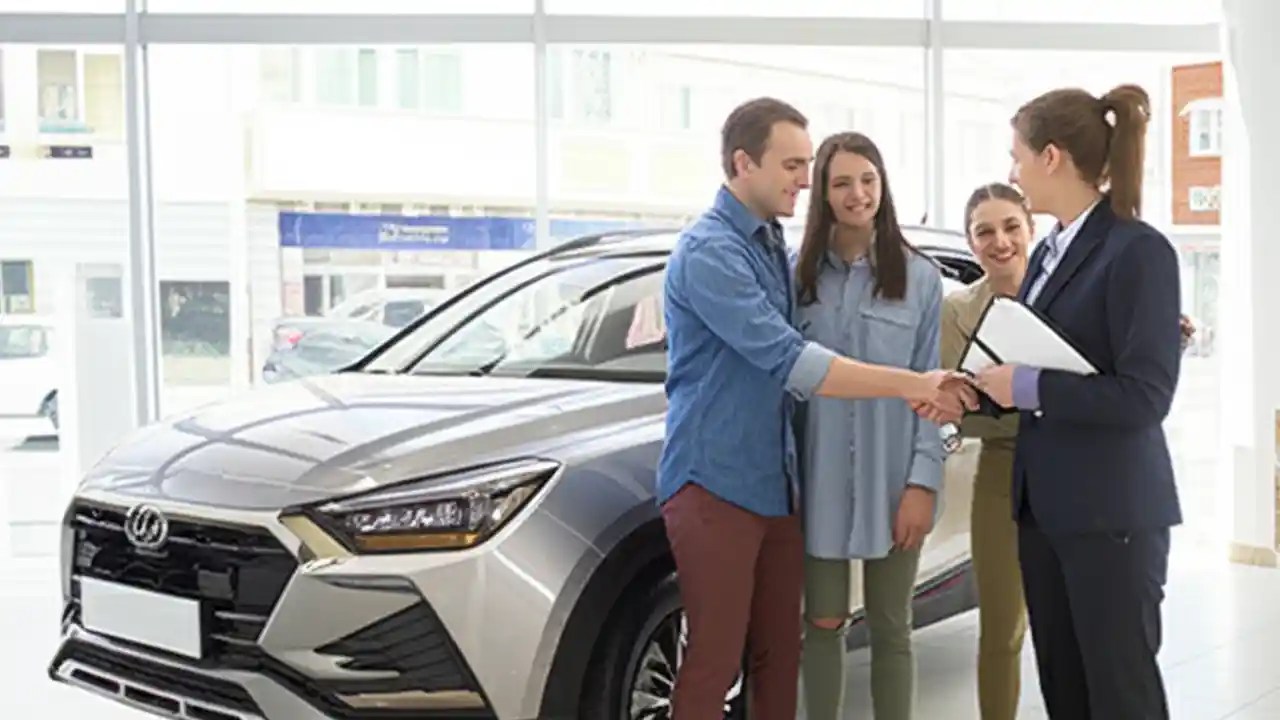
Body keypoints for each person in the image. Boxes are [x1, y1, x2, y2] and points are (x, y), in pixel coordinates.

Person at [658, 97, 974, 720]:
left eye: (809, 166)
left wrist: (922, 465)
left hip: (777, 488)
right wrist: (913, 383)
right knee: (715, 660)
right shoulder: (711, 253)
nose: (803, 179)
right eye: (795, 165)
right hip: (716, 480)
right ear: (743, 163)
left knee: (782, 652)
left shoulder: (771, 244)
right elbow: (793, 361)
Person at [972, 84, 1182, 719]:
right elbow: (1044, 363)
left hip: (1111, 516)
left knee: (1121, 697)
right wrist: (979, 391)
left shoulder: (1138, 250)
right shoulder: (1049, 253)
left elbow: (1145, 397)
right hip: (1047, 512)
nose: (1013, 171)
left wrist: (1028, 385)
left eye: (1018, 155)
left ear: (1053, 157)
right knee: (1065, 691)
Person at [793, 131, 944, 720]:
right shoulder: (795, 276)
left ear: (883, 185)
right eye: (841, 182)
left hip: (894, 477)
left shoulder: (921, 279)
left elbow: (931, 390)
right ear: (823, 195)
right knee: (823, 622)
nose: (858, 194)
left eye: (869, 180)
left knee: (891, 626)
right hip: (820, 481)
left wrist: (922, 483)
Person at [940, 182, 1035, 720]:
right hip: (1001, 469)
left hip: (1074, 466)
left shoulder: (1064, 295)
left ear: (1031, 229)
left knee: (1082, 626)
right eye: (984, 232)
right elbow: (962, 407)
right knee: (1001, 627)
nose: (999, 242)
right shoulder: (957, 311)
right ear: (971, 242)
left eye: (1010, 227)